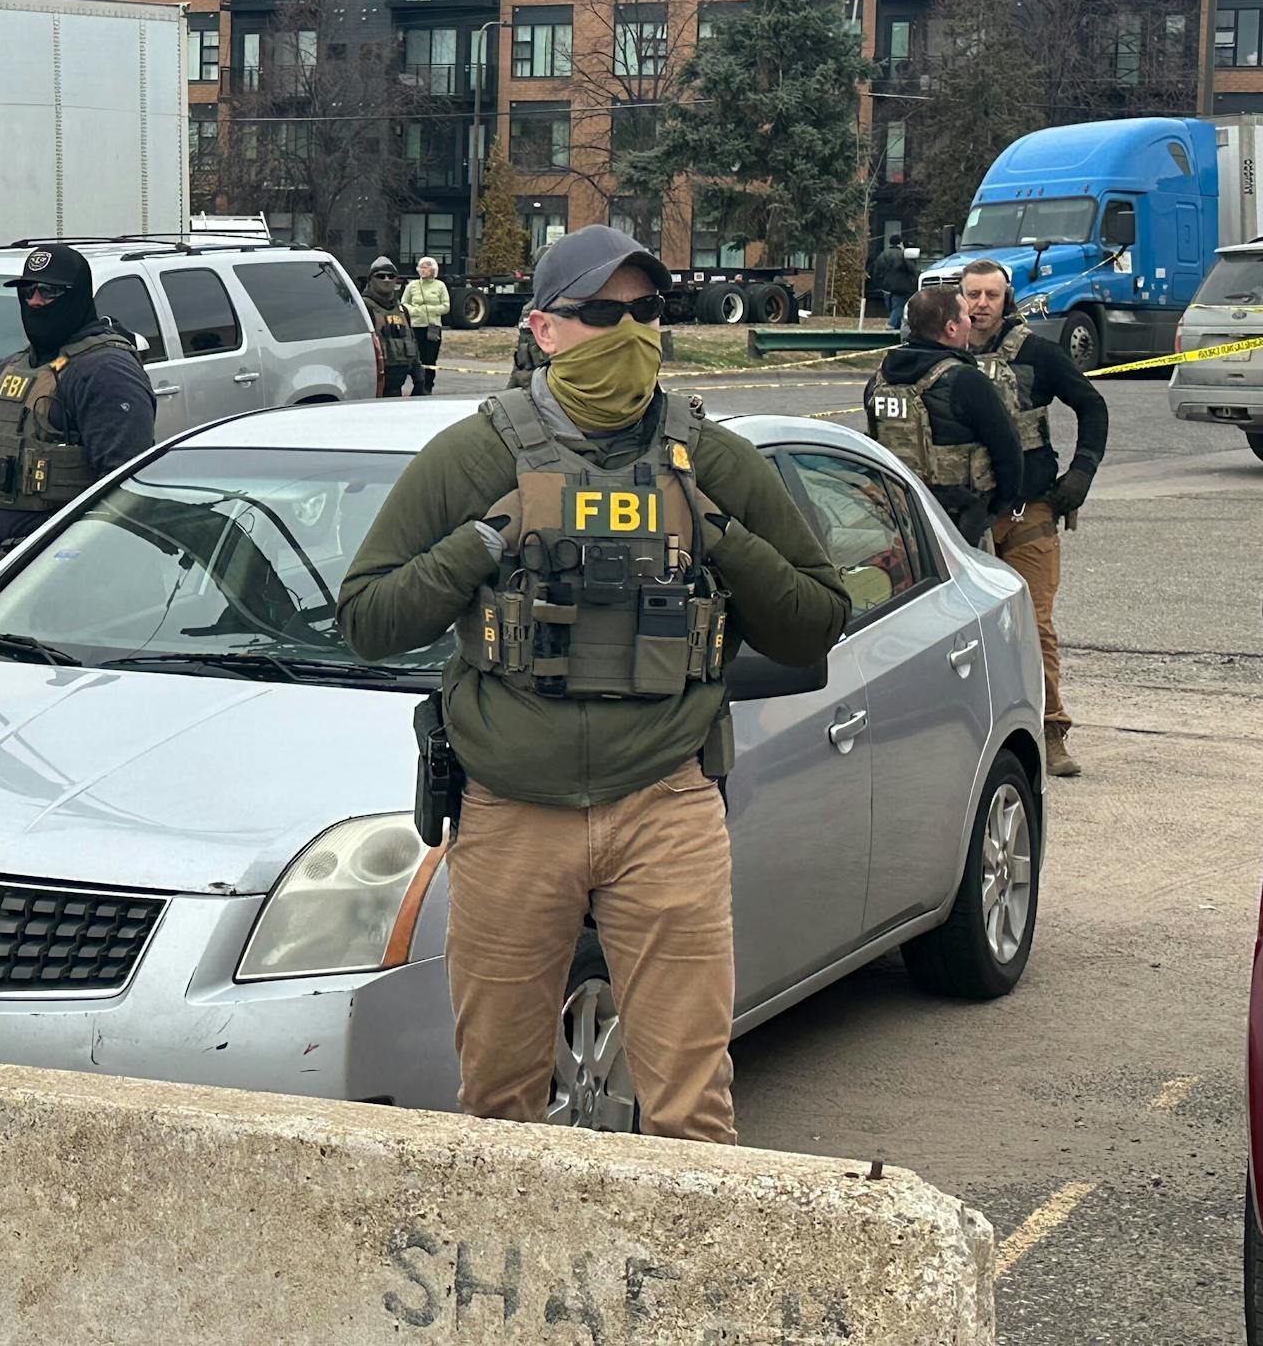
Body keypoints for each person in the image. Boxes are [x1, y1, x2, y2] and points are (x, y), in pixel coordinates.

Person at [338, 225, 847, 1143]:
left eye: (648, 310)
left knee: (693, 1110)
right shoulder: (476, 454)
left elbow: (816, 619)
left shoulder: (707, 456)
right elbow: (368, 619)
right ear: (542, 329)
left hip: (665, 803)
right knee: (499, 1106)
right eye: (603, 314)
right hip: (512, 809)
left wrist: (716, 533)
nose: (632, 332)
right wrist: (485, 540)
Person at [0, 243, 157, 584]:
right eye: (27, 291)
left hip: (69, 572)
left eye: (49, 292)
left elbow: (123, 488)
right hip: (5, 568)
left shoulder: (105, 370)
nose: (35, 301)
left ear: (76, 296)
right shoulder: (13, 368)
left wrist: (82, 565)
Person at [961, 260, 1108, 778]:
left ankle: (1051, 730)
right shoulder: (944, 355)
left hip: (1028, 512)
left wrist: (1080, 474)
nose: (981, 304)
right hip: (963, 517)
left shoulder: (1036, 354)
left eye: (991, 295)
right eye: (973, 294)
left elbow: (1092, 407)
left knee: (1034, 623)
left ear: (1007, 300)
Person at [865, 287, 1024, 546]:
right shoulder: (965, 380)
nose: (971, 321)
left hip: (900, 518)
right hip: (959, 523)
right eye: (966, 316)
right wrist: (992, 510)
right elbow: (1008, 452)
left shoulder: (879, 380)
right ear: (951, 328)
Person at [362, 257, 420, 398]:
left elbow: (412, 342)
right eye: (381, 276)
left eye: (391, 276)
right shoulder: (363, 308)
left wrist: (419, 378)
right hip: (371, 385)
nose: (386, 280)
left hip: (397, 384)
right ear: (370, 280)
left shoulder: (402, 311)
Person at [400, 257, 451, 396]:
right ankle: (418, 385)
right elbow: (403, 305)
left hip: (433, 327)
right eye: (421, 267)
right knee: (416, 358)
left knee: (430, 359)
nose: (423, 270)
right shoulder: (412, 285)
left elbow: (446, 306)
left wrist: (429, 310)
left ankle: (428, 386)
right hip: (416, 327)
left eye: (426, 267)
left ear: (433, 269)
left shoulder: (440, 286)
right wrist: (415, 311)